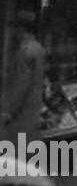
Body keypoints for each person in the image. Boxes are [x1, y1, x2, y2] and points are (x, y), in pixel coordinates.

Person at [2, 11, 46, 146]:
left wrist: (7, 112)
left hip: (22, 115)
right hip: (33, 110)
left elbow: (20, 85)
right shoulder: (38, 48)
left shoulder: (25, 51)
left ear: (21, 28)